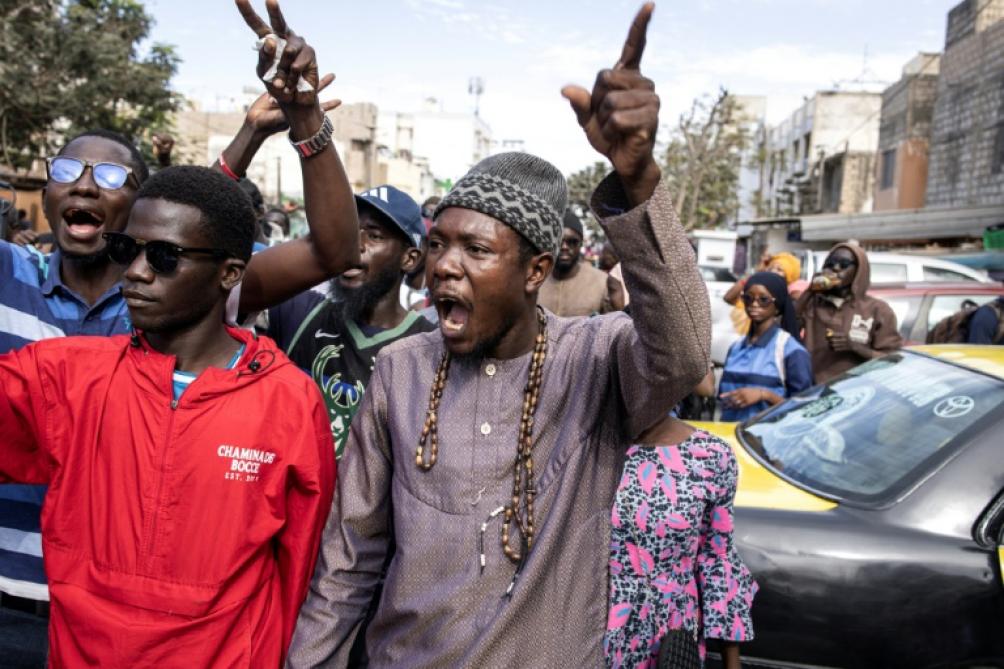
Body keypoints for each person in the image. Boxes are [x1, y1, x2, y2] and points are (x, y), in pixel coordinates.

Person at [287, 5, 712, 666]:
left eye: (475, 248)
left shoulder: (594, 358)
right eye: (437, 245)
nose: (444, 264)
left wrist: (638, 183)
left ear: (535, 269)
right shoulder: (401, 369)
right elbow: (349, 559)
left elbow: (683, 350)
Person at [0, 0, 357, 614]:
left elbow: (204, 228)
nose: (84, 184)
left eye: (111, 179)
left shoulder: (193, 308)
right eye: (66, 169)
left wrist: (300, 119)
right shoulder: (12, 278)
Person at [0, 165, 335, 666]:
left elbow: (302, 569)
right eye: (126, 250)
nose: (135, 271)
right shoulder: (64, 378)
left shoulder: (289, 401)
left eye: (163, 256)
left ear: (229, 273)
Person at [268, 185, 437, 457]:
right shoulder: (300, 313)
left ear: (409, 258)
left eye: (374, 236)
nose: (354, 245)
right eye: (349, 231)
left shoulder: (430, 349)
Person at [605, 417, 756, 668]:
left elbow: (717, 558)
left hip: (671, 643)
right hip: (592, 627)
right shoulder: (587, 447)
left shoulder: (710, 455)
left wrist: (732, 662)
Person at [796, 243, 902, 383]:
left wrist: (856, 348)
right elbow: (786, 327)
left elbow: (892, 360)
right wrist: (809, 291)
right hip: (813, 390)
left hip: (856, 390)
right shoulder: (813, 302)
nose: (835, 268)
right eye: (830, 264)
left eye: (844, 264)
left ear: (859, 271)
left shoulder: (877, 309)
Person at [719, 271, 813, 422]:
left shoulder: (790, 350)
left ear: (777, 306)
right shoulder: (735, 348)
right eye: (748, 298)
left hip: (766, 440)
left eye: (764, 300)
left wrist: (765, 395)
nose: (754, 304)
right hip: (730, 436)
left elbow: (804, 409)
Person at [538, 209, 610, 316]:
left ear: (581, 244)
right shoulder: (535, 280)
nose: (564, 247)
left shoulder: (602, 282)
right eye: (558, 241)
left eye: (572, 242)